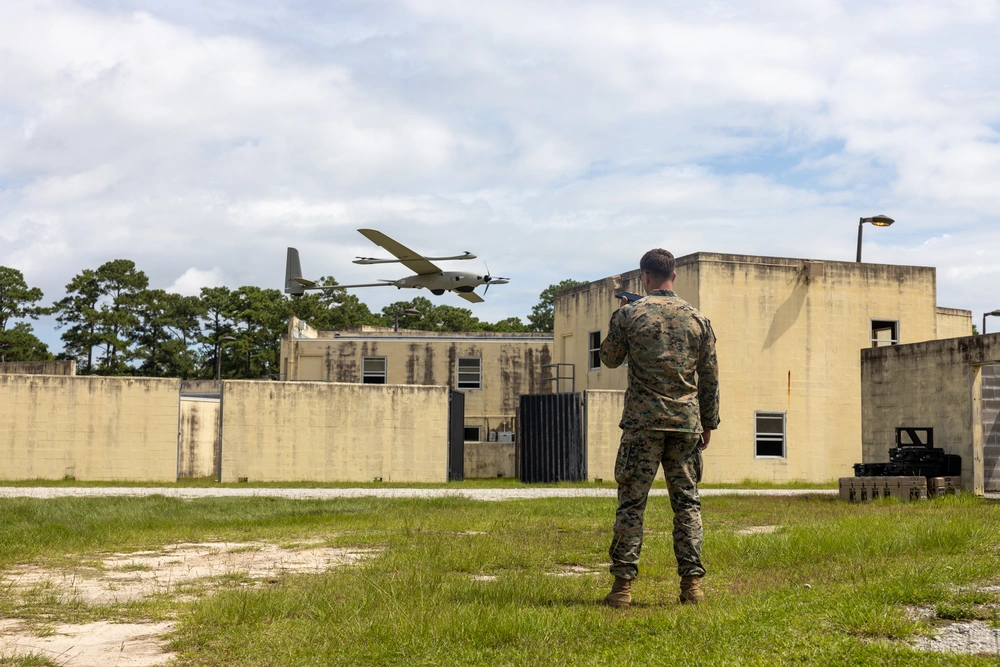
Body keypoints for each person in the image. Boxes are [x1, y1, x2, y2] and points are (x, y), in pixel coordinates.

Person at [599, 248, 719, 608]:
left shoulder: (630, 315)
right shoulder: (698, 320)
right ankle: (691, 586)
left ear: (644, 277)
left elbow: (608, 358)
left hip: (642, 424)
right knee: (687, 504)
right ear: (674, 275)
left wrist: (618, 317)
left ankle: (622, 589)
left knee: (632, 504)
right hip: (685, 424)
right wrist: (708, 422)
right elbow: (710, 376)